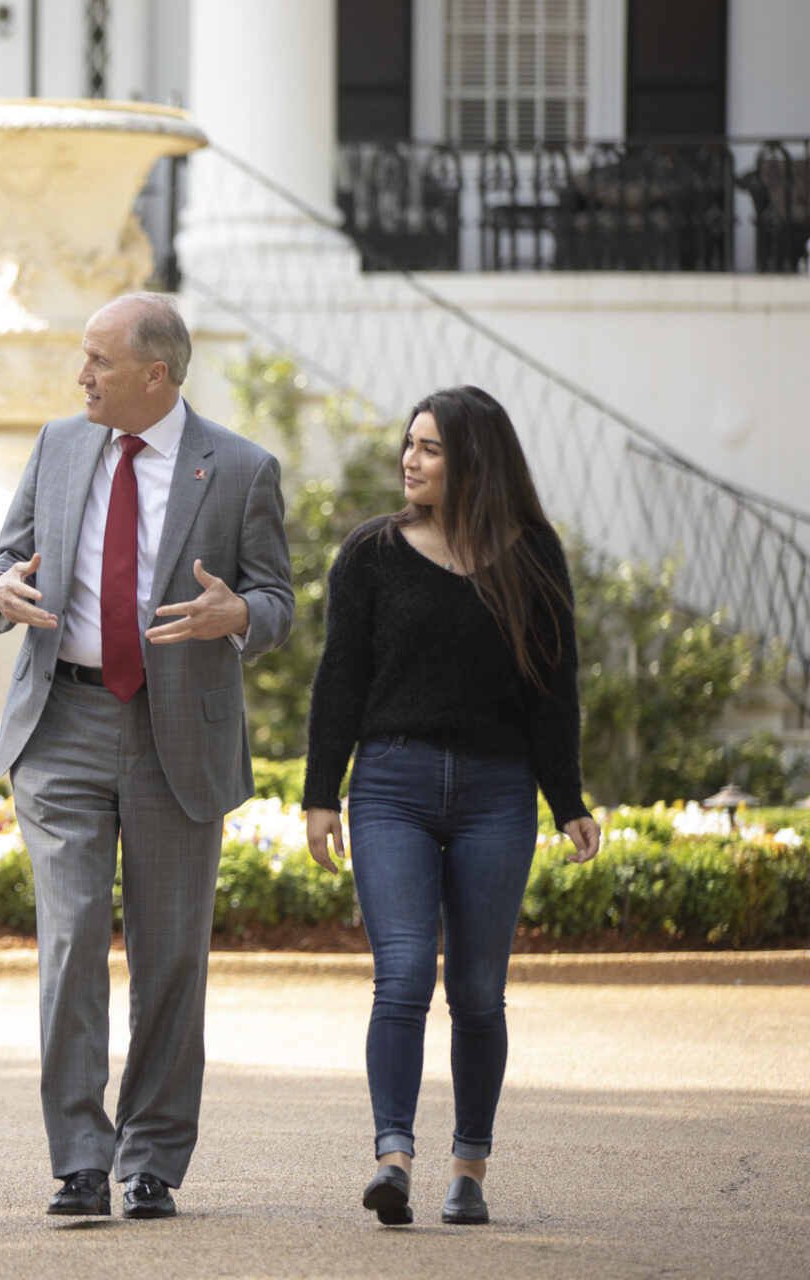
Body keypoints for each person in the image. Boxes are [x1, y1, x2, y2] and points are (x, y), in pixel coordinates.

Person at [0, 293, 294, 1219]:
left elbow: (276, 597)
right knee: (73, 938)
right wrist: (1, 588)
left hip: (178, 739)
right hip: (63, 724)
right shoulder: (57, 445)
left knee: (169, 956)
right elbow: (3, 562)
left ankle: (151, 1158)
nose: (81, 376)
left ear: (153, 374)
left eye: (97, 361)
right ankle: (80, 1157)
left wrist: (240, 613)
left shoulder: (240, 469)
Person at [302, 385, 601, 1227]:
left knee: (476, 990)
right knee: (400, 975)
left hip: (496, 794)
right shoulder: (371, 553)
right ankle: (392, 1157)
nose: (410, 459)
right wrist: (321, 792)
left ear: (473, 459)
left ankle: (468, 1168)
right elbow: (341, 679)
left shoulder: (533, 554)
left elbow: (553, 688)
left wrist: (566, 795)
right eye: (410, 444)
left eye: (430, 448)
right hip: (391, 785)